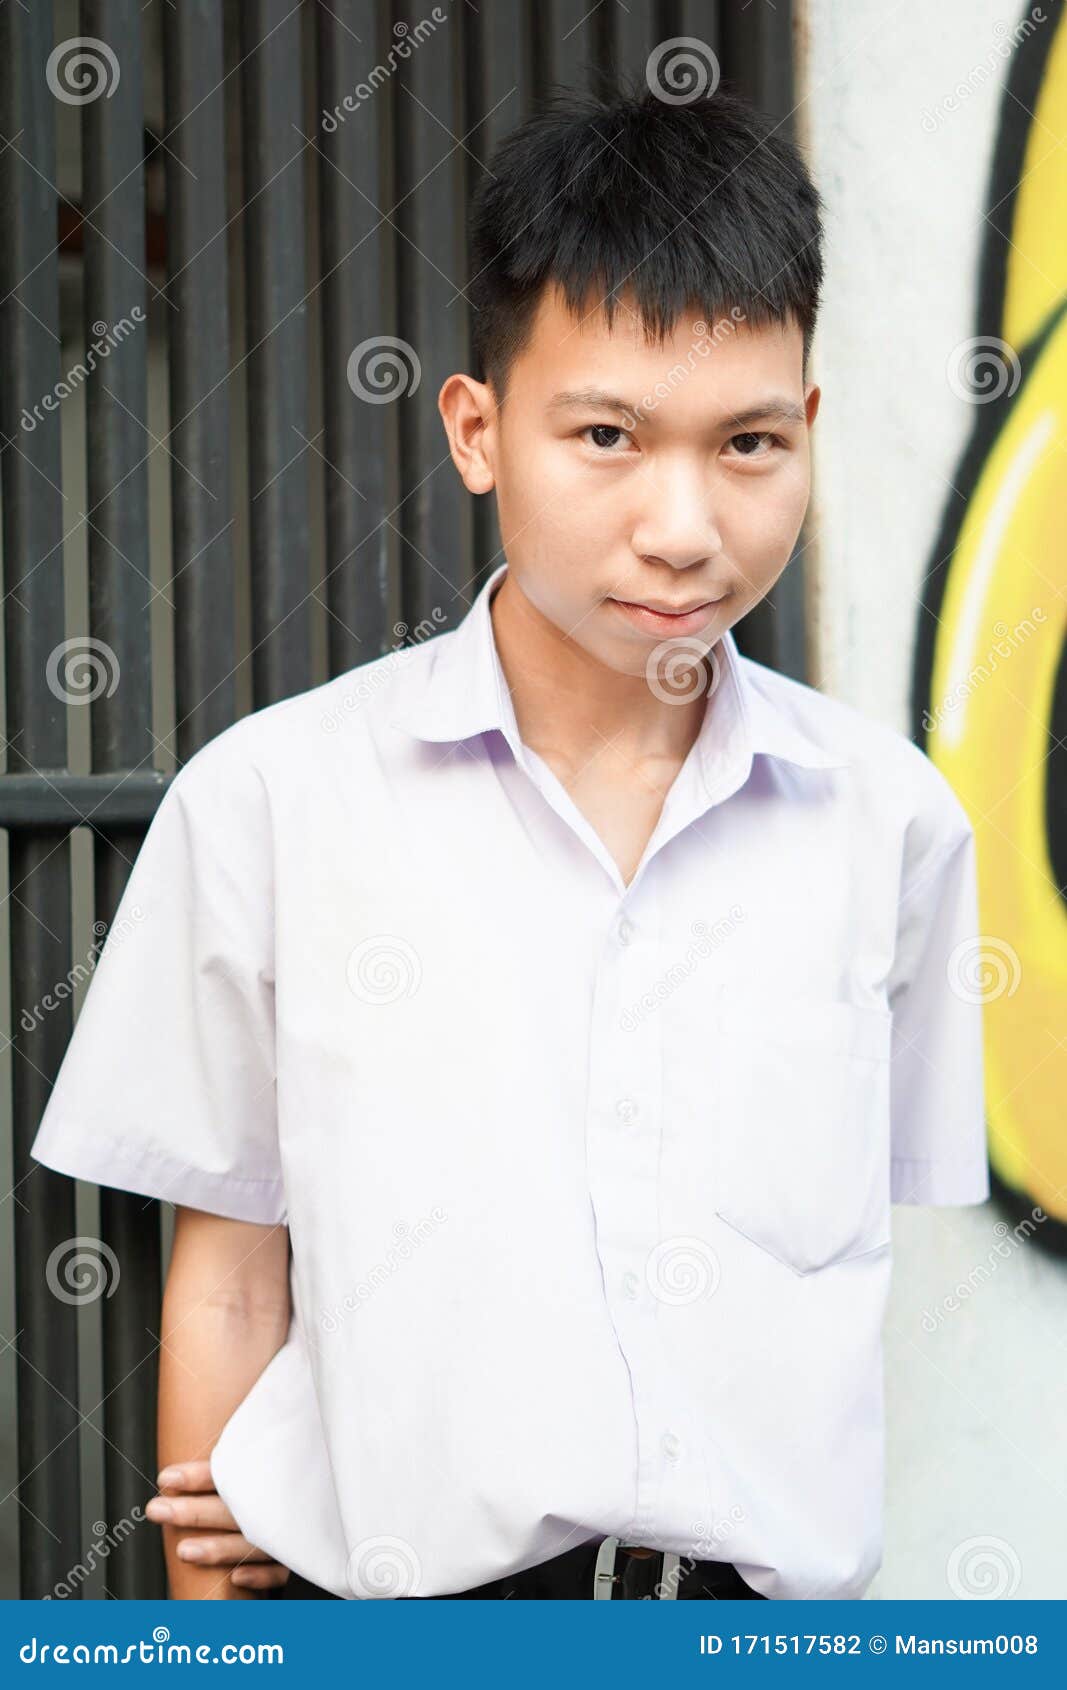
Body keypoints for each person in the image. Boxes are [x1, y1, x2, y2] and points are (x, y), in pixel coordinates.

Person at [30, 77, 989, 1601]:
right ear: (477, 430)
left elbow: (865, 1276)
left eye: (747, 444)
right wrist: (217, 1639)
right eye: (607, 433)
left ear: (807, 427)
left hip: (765, 1634)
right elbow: (223, 1275)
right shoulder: (276, 803)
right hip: (413, 1622)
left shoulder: (892, 829)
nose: (684, 525)